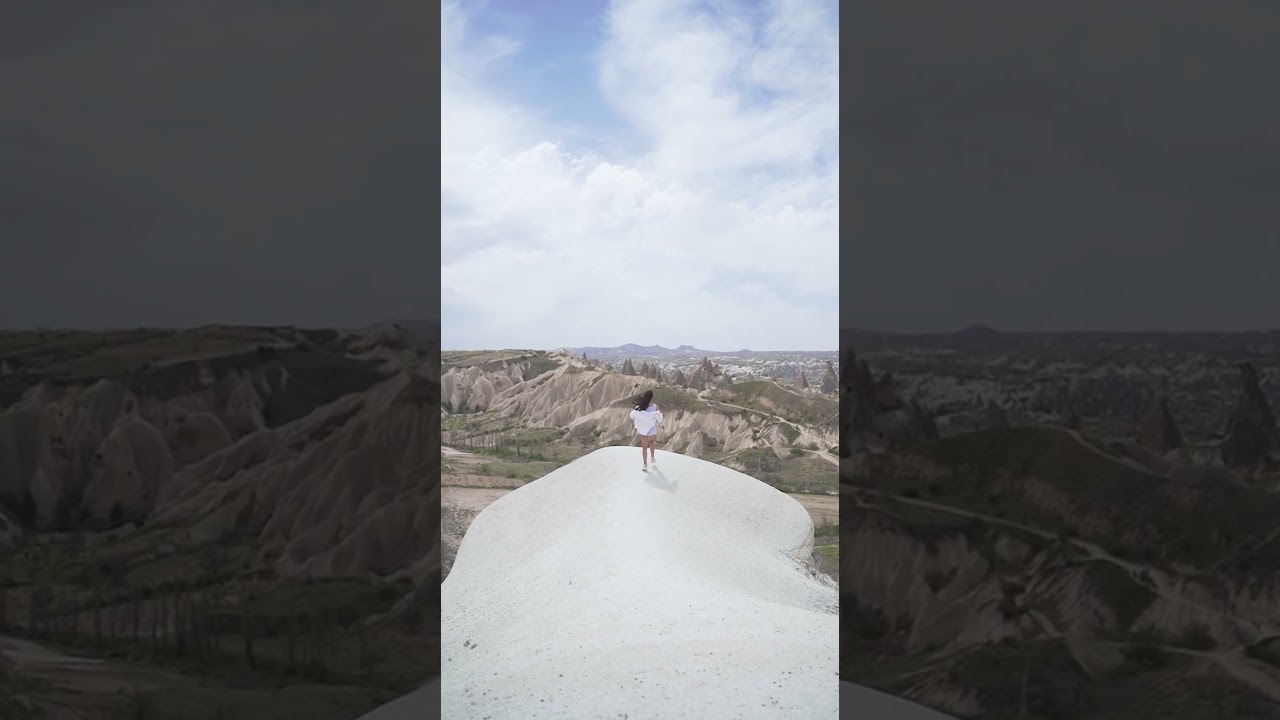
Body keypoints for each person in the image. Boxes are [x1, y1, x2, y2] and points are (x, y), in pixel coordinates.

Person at [629, 389, 663, 469]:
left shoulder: (639, 407)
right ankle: (652, 457)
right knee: (651, 442)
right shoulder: (655, 407)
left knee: (644, 447)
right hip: (651, 427)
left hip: (642, 429)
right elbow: (659, 418)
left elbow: (632, 415)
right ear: (651, 397)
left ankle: (645, 464)